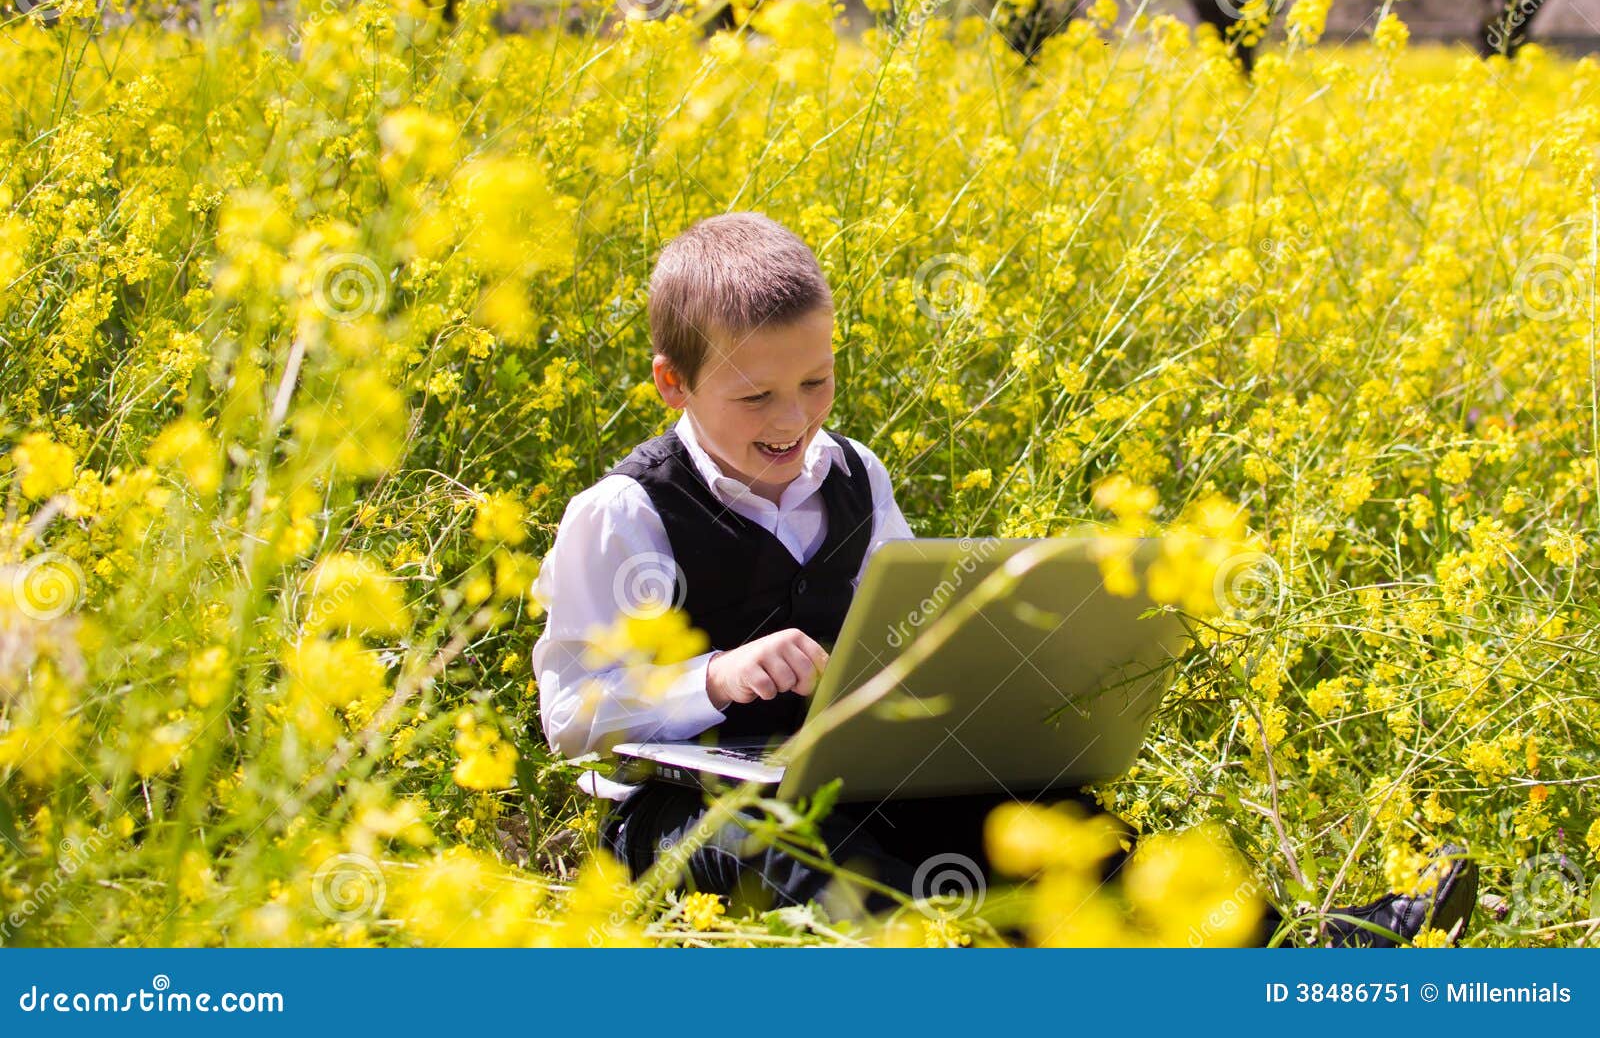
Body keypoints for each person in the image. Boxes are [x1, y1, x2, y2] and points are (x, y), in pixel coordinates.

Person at [530, 211, 1478, 946]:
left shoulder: (854, 475)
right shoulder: (625, 516)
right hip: (685, 812)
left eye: (816, 383)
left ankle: (1314, 957)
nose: (795, 419)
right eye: (756, 397)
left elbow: (904, 626)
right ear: (673, 385)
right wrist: (716, 679)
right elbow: (572, 707)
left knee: (1054, 827)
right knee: (828, 869)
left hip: (848, 769)